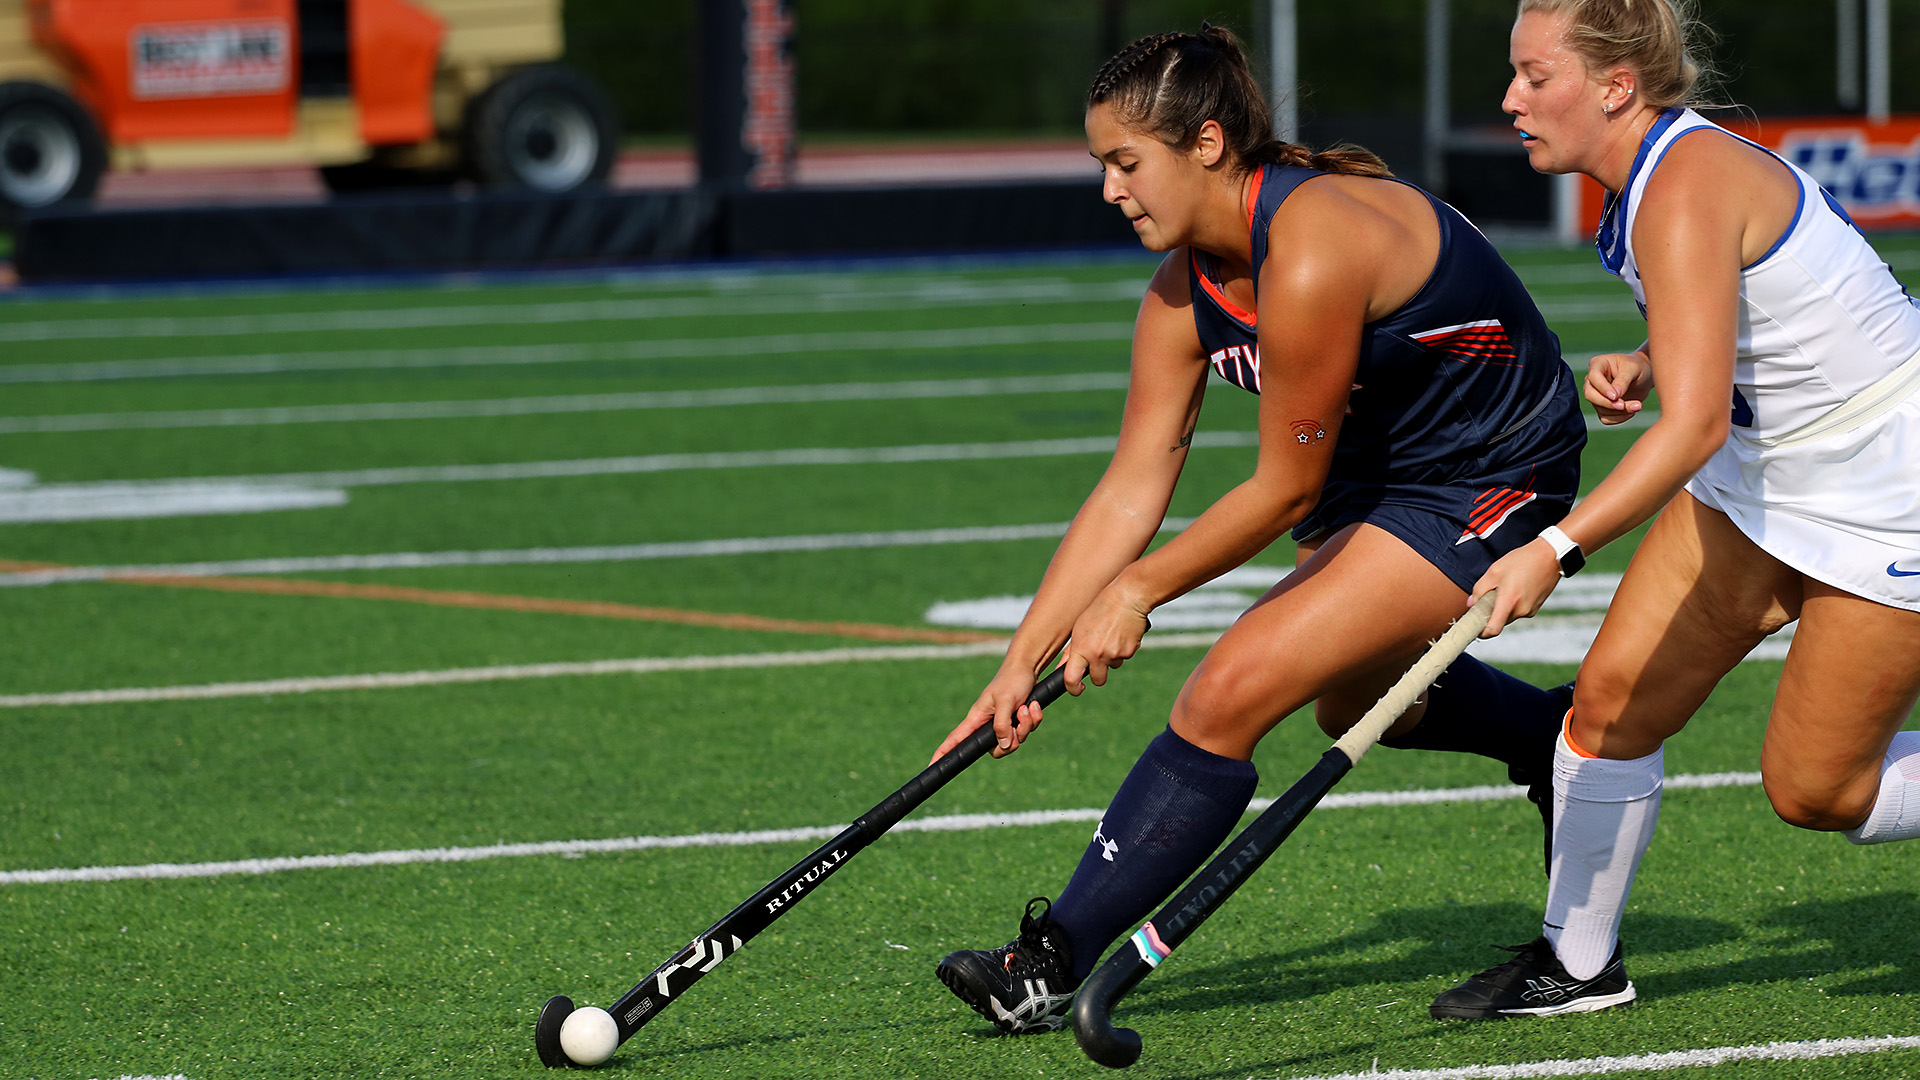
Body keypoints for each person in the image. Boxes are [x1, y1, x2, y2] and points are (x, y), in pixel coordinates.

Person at [926, 24, 1591, 1035]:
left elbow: (1283, 488)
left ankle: (1048, 962)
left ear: (1204, 143)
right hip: (1374, 469)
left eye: (1125, 162)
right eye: (1101, 164)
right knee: (1348, 704)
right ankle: (1549, 735)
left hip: (1489, 471)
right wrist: (1020, 660)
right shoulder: (1179, 290)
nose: (1111, 189)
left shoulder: (1315, 245)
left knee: (1229, 687)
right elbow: (1131, 484)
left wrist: (1138, 590)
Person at [1428, 0, 1920, 1021]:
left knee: (1816, 790)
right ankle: (1580, 962)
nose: (1511, 99)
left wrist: (1553, 549)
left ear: (1615, 88)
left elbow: (1690, 430)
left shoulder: (1683, 183)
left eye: (1532, 76)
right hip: (1767, 473)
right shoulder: (1647, 179)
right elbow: (1757, 324)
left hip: (1886, 489)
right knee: (1607, 705)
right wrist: (1656, 360)